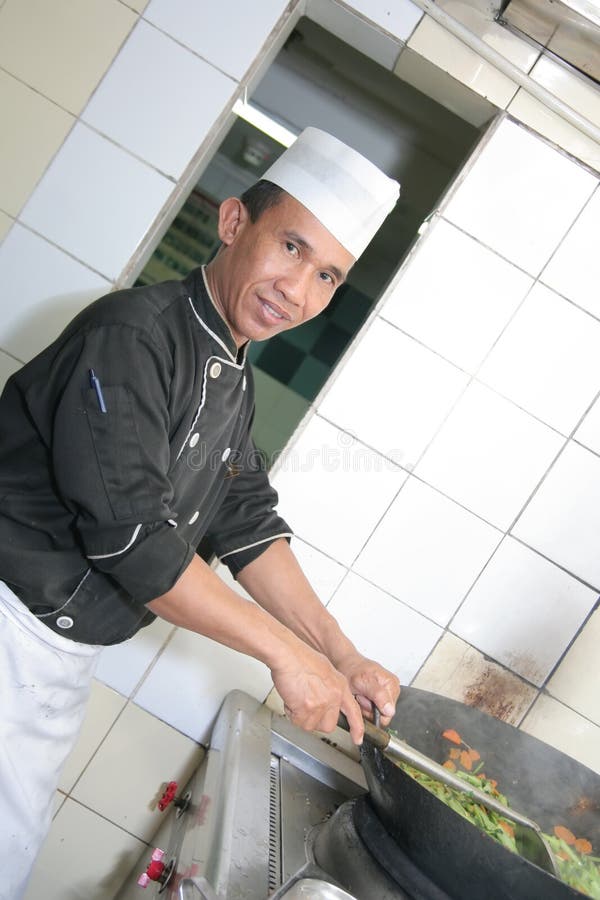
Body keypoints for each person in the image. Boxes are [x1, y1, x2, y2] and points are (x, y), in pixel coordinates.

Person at [0, 127, 401, 897]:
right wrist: (287, 657)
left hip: (54, 661)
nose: (299, 290)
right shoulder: (134, 336)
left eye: (326, 276)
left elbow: (244, 520)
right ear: (232, 223)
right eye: (290, 247)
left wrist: (339, 655)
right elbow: (137, 547)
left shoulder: (233, 380)